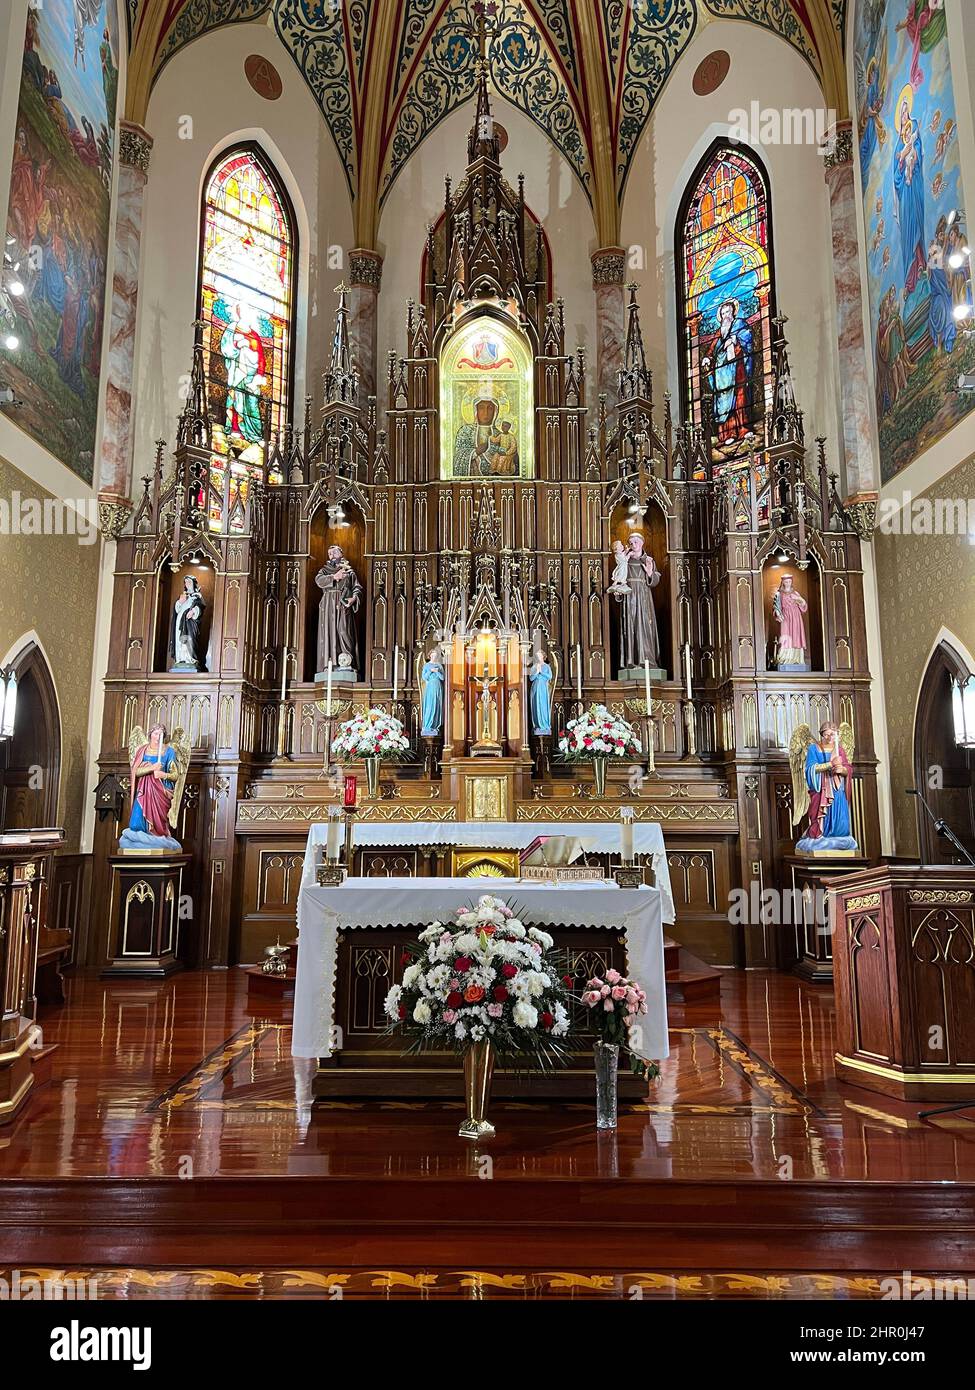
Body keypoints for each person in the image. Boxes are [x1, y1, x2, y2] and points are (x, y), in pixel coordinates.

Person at [315, 545, 362, 675]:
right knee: (329, 633)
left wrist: (353, 598)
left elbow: (357, 588)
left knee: (344, 631)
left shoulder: (349, 571)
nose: (331, 555)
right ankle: (330, 664)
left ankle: (346, 662)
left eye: (334, 553)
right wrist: (334, 577)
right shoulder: (324, 570)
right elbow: (318, 581)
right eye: (329, 553)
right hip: (328, 606)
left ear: (341, 554)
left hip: (343, 606)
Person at [169, 576, 207, 671]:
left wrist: (194, 611)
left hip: (190, 623)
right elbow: (177, 609)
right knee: (179, 639)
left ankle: (190, 659)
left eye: (189, 582)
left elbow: (201, 606)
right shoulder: (183, 596)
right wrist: (179, 602)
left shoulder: (197, 596)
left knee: (189, 639)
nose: (187, 584)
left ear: (194, 583)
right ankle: (180, 659)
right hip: (180, 623)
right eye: (186, 582)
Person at [772, 575, 809, 669]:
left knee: (796, 635)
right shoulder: (779, 594)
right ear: (783, 582)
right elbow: (776, 606)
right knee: (785, 634)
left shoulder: (795, 593)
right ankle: (785, 658)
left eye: (789, 581)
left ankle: (797, 659)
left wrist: (799, 600)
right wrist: (778, 613)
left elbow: (803, 606)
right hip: (786, 617)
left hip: (796, 616)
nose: (788, 583)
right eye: (786, 581)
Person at [420, 646, 446, 737]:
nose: (434, 657)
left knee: (437, 706)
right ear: (430, 656)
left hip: (438, 686)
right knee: (430, 706)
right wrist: (431, 671)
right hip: (430, 687)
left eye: (436, 655)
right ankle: (427, 726)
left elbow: (443, 678)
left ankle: (435, 726)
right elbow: (424, 677)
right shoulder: (427, 665)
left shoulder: (439, 666)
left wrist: (437, 672)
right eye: (433, 655)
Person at [529, 650, 554, 736]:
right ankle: (537, 725)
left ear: (543, 656)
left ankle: (544, 725)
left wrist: (541, 672)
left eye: (539, 656)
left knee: (543, 706)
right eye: (537, 656)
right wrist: (536, 672)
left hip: (543, 689)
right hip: (535, 688)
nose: (538, 657)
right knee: (536, 706)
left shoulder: (546, 666)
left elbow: (550, 676)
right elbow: (531, 678)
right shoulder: (534, 666)